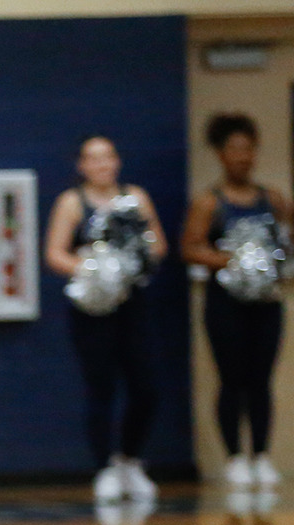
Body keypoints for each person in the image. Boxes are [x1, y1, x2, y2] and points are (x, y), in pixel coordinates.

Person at [43, 135, 167, 504]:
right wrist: (95, 269)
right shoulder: (71, 202)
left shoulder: (136, 197)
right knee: (101, 387)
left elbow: (158, 244)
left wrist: (130, 263)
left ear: (117, 161)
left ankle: (130, 459)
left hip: (132, 303)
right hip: (92, 308)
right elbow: (54, 253)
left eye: (108, 157)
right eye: (93, 159)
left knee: (146, 387)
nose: (102, 165)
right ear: (81, 165)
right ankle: (104, 468)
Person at [183, 112, 294, 490]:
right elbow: (190, 248)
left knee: (261, 379)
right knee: (232, 379)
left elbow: (287, 241)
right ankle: (234, 458)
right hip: (226, 302)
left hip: (266, 301)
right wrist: (235, 261)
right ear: (220, 154)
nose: (243, 157)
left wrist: (275, 263)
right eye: (235, 149)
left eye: (249, 149)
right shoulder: (209, 202)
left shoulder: (272, 198)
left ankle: (260, 455)